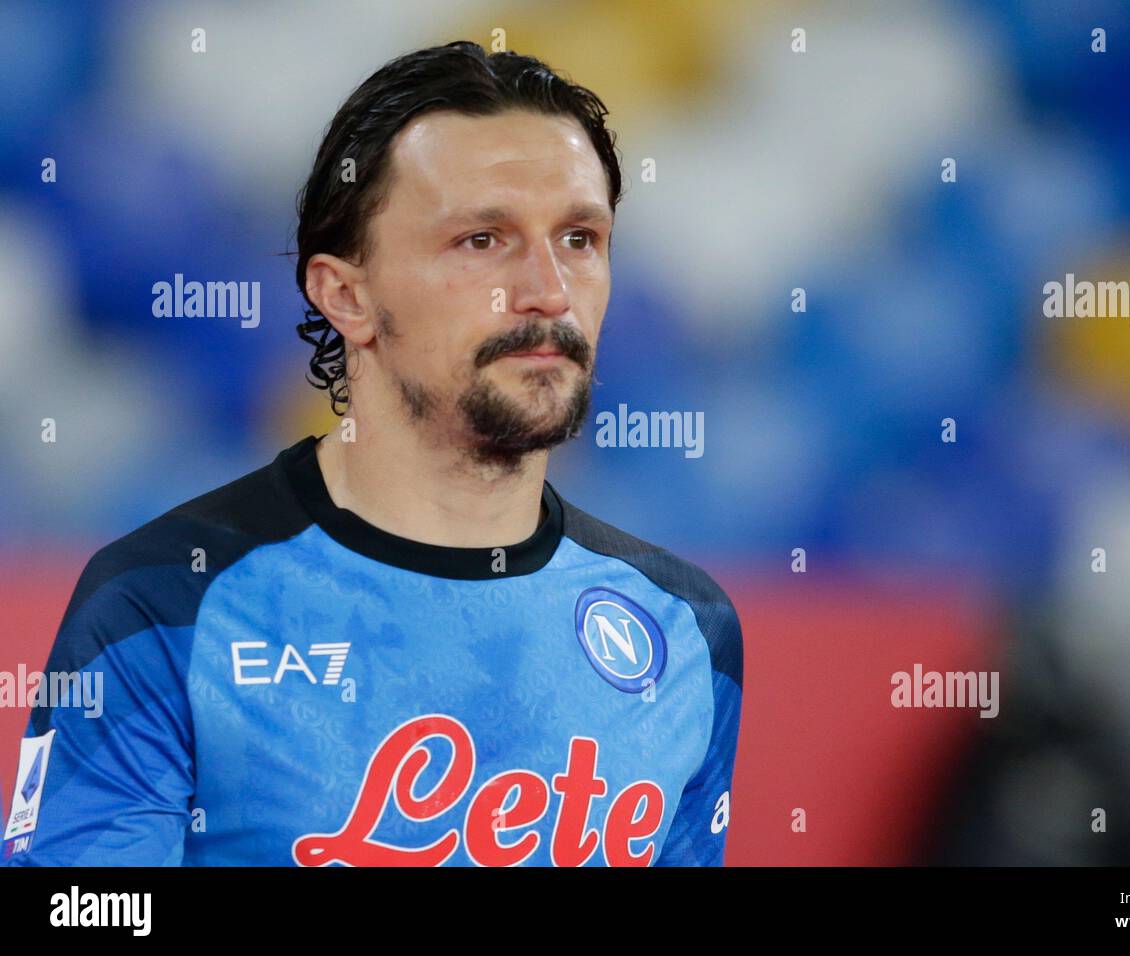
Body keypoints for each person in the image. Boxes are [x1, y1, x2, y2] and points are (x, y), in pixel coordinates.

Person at [3, 41, 742, 867]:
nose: (548, 288)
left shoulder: (687, 629)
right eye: (481, 240)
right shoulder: (162, 604)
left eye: (579, 238)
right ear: (345, 295)